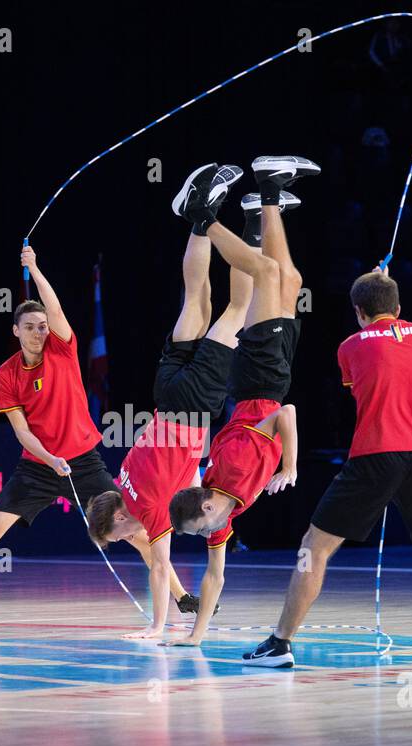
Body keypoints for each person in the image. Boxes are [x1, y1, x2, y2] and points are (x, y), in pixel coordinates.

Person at [0, 245, 196, 622]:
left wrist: (34, 267)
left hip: (84, 461)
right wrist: (50, 459)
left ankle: (181, 596)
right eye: (30, 327)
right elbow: (21, 431)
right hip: (38, 466)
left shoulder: (62, 350)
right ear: (15, 330)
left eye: (42, 326)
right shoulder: (5, 375)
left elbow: (56, 310)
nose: (39, 332)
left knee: (132, 529)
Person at [240, 268, 412, 670]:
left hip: (373, 455)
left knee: (312, 549)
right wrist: (383, 289)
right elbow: (394, 338)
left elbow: (365, 378)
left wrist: (373, 301)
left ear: (358, 312)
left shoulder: (349, 347)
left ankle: (280, 643)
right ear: (400, 308)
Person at [86, 160, 273, 640]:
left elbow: (158, 568)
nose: (129, 541)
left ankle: (246, 216)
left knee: (236, 310)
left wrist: (156, 627)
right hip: (164, 394)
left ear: (121, 518)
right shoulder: (122, 476)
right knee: (196, 301)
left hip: (193, 406)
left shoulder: (146, 511)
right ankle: (198, 216)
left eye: (119, 536)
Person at [163, 155, 320, 646]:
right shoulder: (223, 515)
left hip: (260, 381)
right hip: (264, 378)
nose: (207, 533)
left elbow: (285, 415)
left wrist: (288, 467)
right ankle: (258, 207)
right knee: (286, 281)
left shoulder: (229, 472)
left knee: (267, 274)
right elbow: (215, 577)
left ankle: (204, 214)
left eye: (201, 525)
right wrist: (195, 636)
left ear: (206, 505)